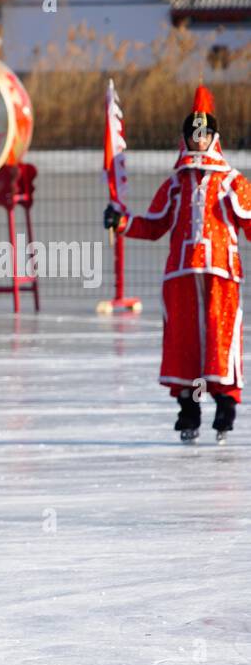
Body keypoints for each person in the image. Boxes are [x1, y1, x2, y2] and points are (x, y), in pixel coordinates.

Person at [105, 85, 251, 443]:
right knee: (184, 343)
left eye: (205, 134)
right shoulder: (175, 184)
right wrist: (121, 222)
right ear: (185, 138)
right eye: (193, 134)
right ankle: (189, 406)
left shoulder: (232, 181)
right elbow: (154, 224)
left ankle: (224, 403)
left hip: (220, 273)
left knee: (219, 339)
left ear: (214, 138)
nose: (199, 140)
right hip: (182, 274)